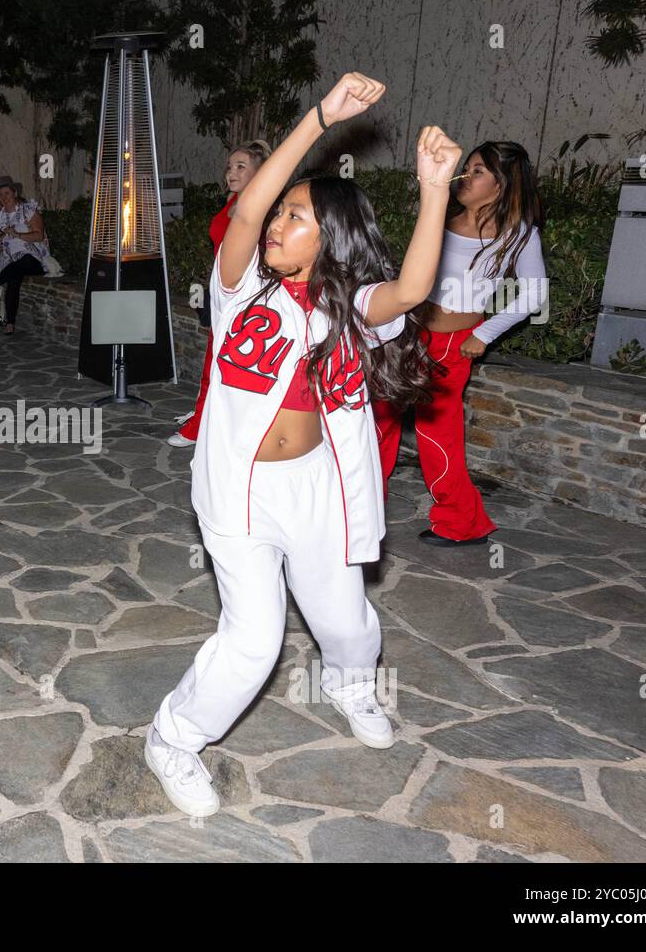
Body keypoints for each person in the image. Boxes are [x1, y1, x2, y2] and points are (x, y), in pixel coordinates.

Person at [144, 73, 459, 819]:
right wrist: (318, 118)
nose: (276, 224)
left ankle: (351, 686)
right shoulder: (238, 287)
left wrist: (436, 188)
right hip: (240, 491)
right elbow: (249, 207)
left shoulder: (349, 306)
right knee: (253, 641)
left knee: (346, 624)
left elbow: (412, 289)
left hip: (317, 491)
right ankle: (173, 738)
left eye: (296, 218)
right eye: (279, 213)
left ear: (332, 238)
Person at [373, 141, 547, 546]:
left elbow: (534, 294)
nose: (465, 176)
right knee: (378, 421)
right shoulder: (441, 218)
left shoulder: (519, 235)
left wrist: (484, 334)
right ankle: (358, 508)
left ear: (501, 185)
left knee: (437, 437)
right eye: (467, 167)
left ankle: (460, 524)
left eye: (478, 170)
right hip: (408, 334)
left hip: (453, 346)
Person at [168, 140, 270, 448]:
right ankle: (204, 424)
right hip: (224, 291)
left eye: (241, 167)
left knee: (236, 365)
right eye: (229, 166)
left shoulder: (260, 205)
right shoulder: (234, 200)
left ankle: (213, 428)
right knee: (216, 361)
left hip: (248, 294)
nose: (231, 172)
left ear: (261, 173)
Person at [0, 176, 49, 335]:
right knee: (13, 277)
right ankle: (10, 323)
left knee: (23, 261)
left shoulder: (28, 210)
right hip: (10, 261)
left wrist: (16, 234)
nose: (4, 197)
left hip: (35, 259)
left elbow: (39, 236)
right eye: (0, 194)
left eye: (7, 193)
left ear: (15, 193)